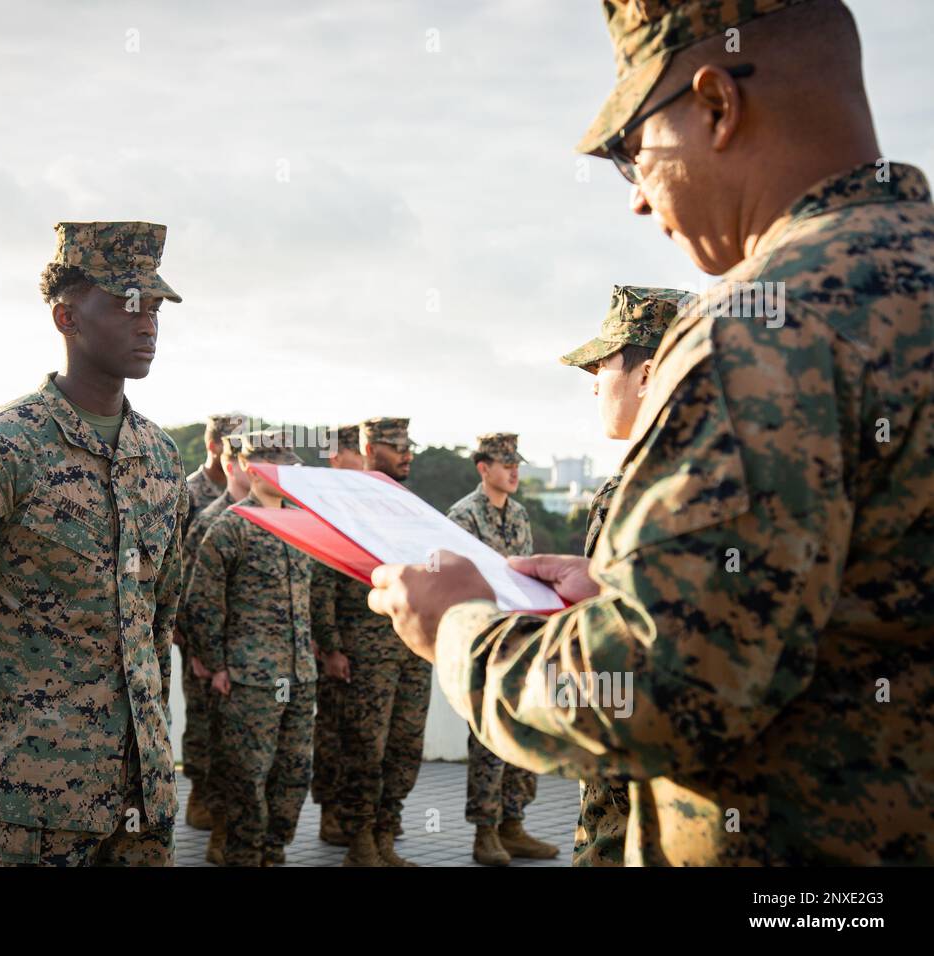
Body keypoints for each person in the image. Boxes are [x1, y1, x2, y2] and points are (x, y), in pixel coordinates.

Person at [369, 0, 934, 865]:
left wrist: (460, 630)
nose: (637, 200)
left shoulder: (762, 327)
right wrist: (626, 586)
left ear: (716, 104)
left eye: (634, 153)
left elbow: (654, 692)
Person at [0, 220, 188, 867]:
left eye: (155, 308)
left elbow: (157, 625)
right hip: (33, 805)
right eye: (128, 306)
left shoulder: (159, 458)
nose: (148, 325)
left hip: (144, 802)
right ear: (66, 316)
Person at [558, 284, 687, 866]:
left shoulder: (641, 489)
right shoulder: (725, 470)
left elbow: (618, 659)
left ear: (648, 373)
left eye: (603, 365)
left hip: (632, 804)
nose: (593, 383)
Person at [185, 430, 316, 866]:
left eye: (286, 466)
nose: (280, 475)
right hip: (249, 679)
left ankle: (274, 850)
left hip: (298, 676)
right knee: (246, 777)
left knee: (294, 772)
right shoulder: (232, 526)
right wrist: (217, 664)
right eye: (271, 465)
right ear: (248, 467)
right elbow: (202, 602)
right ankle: (243, 852)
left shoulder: (302, 523)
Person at [447, 432, 557, 865]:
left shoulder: (520, 515)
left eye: (517, 463)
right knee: (488, 738)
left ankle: (514, 825)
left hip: (520, 637)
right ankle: (485, 832)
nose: (514, 470)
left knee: (523, 729)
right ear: (483, 468)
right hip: (482, 639)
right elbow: (454, 583)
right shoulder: (462, 516)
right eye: (505, 463)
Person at [331, 416, 428, 867]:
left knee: (405, 747)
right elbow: (322, 580)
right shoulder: (346, 505)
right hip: (364, 649)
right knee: (365, 748)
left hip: (412, 647)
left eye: (408, 445)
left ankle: (386, 835)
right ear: (370, 449)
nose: (406, 453)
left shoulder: (412, 505)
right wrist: (330, 645)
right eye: (395, 445)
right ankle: (361, 842)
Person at [176, 432, 248, 852]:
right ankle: (202, 796)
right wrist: (192, 641)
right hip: (203, 635)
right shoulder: (197, 502)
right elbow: (185, 577)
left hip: (249, 647)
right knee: (204, 721)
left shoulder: (269, 513)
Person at [309, 422, 362, 846]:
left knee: (362, 738)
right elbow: (320, 586)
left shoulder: (370, 501)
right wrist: (329, 646)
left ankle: (359, 815)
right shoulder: (325, 506)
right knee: (332, 732)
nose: (363, 458)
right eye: (355, 451)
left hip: (372, 645)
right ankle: (331, 814)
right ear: (335, 457)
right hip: (338, 643)